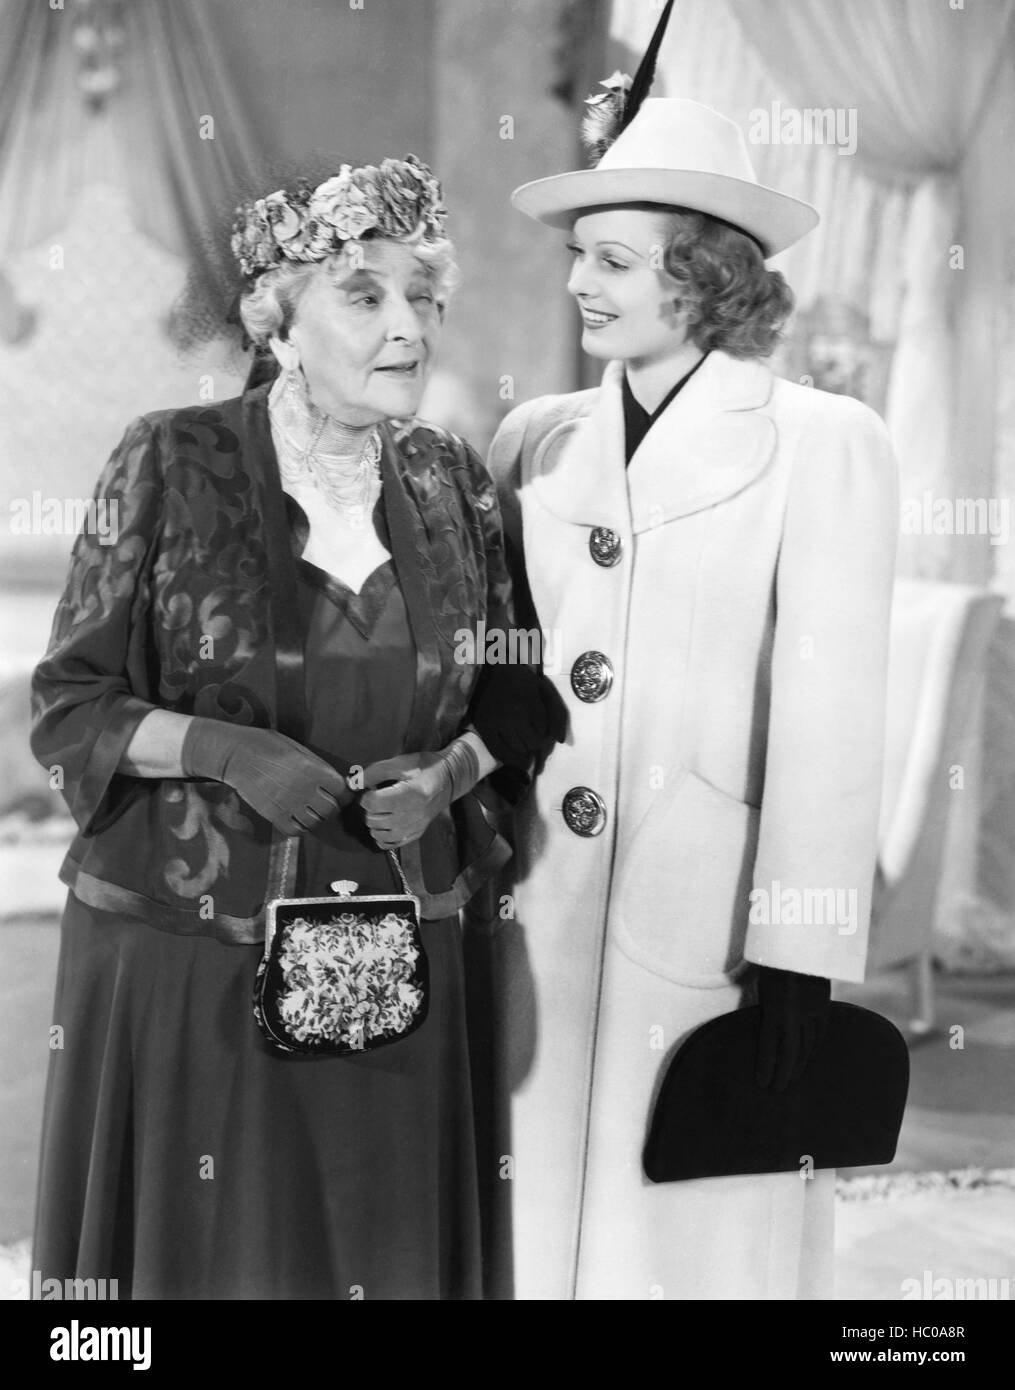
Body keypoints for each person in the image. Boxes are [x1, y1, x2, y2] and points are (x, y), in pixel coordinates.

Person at [29, 154, 558, 1300]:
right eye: (365, 295)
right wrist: (223, 750)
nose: (408, 325)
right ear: (279, 316)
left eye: (423, 295)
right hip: (192, 947)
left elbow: (521, 689)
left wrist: (450, 773)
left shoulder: (453, 480)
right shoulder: (172, 457)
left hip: (394, 944)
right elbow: (72, 701)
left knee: (377, 1245)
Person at [479, 79, 899, 1300]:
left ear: (704, 275)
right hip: (540, 899)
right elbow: (504, 652)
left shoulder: (822, 441)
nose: (579, 284)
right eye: (578, 257)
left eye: (613, 259)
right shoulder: (536, 439)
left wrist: (797, 953)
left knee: (699, 1227)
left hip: (704, 913)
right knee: (539, 1193)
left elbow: (830, 715)